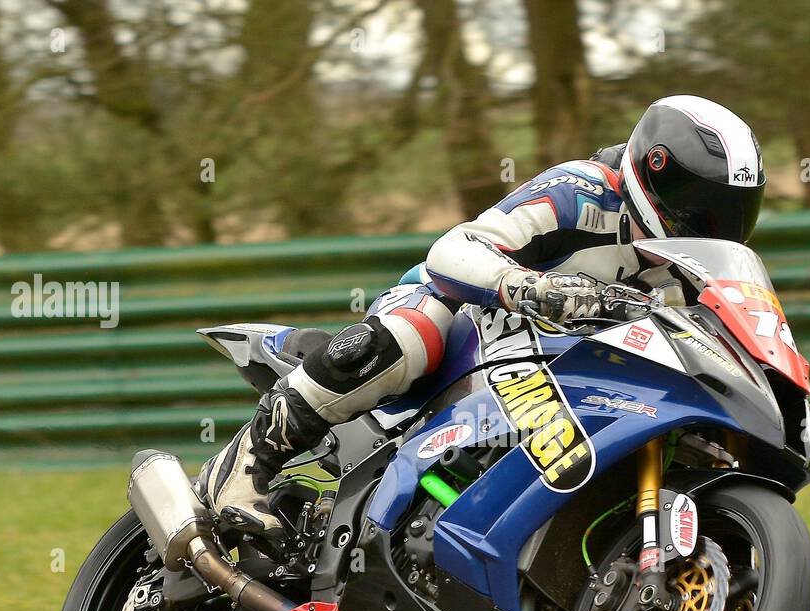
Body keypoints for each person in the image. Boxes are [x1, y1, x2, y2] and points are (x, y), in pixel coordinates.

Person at [200, 94, 767, 535]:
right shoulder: (582, 192)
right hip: (463, 323)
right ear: (657, 171)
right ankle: (245, 468)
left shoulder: (688, 271)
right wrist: (534, 288)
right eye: (704, 205)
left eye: (732, 213)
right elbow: (452, 251)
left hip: (565, 382)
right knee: (411, 333)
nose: (712, 226)